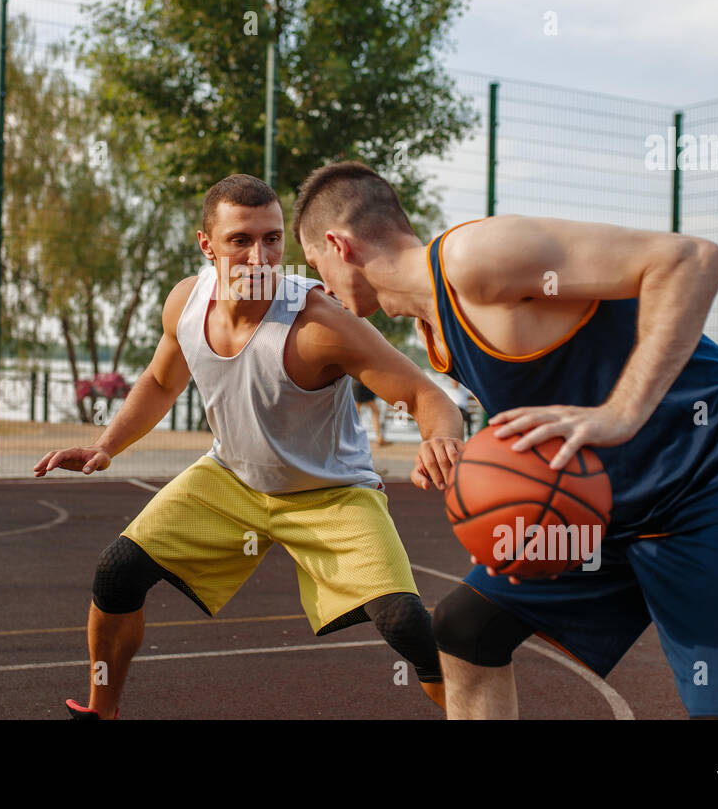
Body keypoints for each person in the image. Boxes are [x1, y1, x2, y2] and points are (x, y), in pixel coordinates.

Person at [292, 161, 718, 720]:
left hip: (716, 484)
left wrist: (621, 412)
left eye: (313, 263)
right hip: (612, 509)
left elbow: (693, 260)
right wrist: (463, 458)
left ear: (337, 245)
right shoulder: (435, 327)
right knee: (466, 632)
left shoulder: (476, 258)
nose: (318, 284)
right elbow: (552, 402)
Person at [34, 174, 464, 719]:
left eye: (272, 238)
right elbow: (163, 382)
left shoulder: (319, 324)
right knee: (118, 572)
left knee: (406, 626)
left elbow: (427, 395)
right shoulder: (186, 304)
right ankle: (102, 712)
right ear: (206, 244)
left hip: (331, 495)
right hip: (232, 478)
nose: (260, 256)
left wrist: (442, 439)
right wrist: (106, 446)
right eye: (241, 240)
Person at [353, 379, 386, 446]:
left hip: (361, 384)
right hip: (362, 384)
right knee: (357, 413)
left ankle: (378, 437)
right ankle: (378, 437)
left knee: (356, 413)